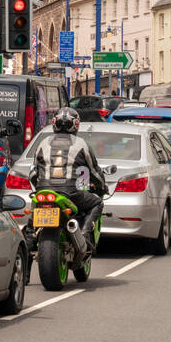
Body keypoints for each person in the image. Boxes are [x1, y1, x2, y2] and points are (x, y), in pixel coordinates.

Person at [30, 107, 107, 260]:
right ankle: (84, 234)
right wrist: (102, 187)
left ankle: (25, 262)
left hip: (43, 191)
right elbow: (94, 171)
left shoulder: (42, 143)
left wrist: (39, 187)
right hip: (71, 193)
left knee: (29, 230)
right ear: (76, 125)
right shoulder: (81, 144)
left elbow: (33, 173)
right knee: (97, 203)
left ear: (54, 124)